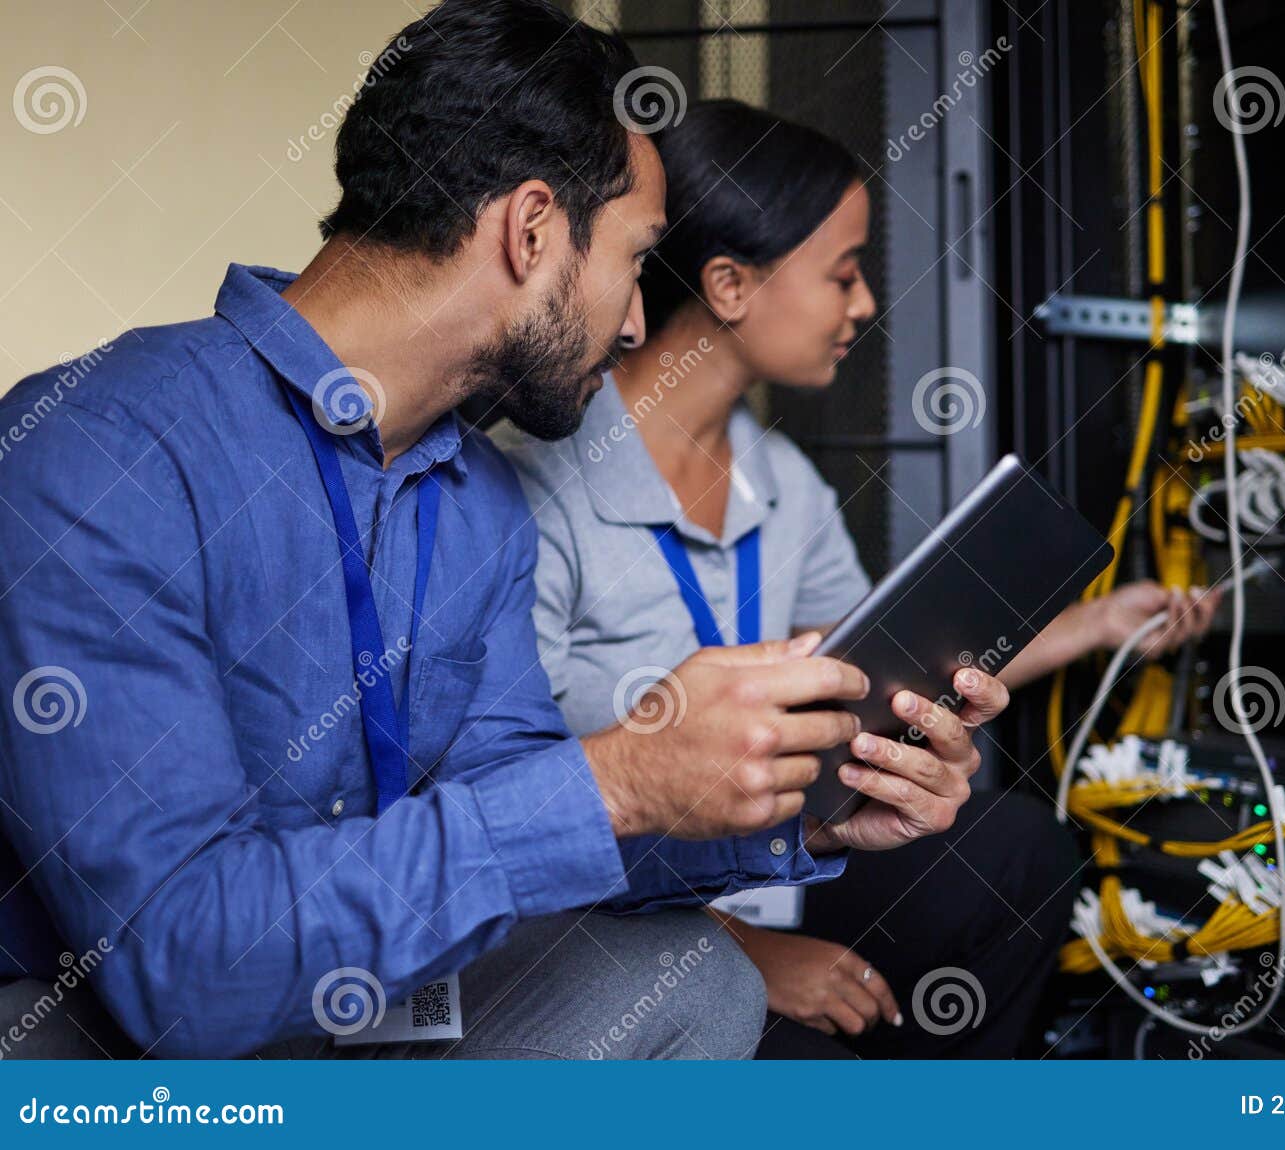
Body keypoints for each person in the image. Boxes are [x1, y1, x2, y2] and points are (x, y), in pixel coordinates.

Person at [0, 3, 1001, 1061]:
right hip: (111, 1036)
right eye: (632, 261)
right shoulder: (99, 451)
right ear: (530, 229)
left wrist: (794, 805)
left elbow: (525, 807)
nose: (630, 326)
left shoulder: (474, 497)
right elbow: (182, 967)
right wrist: (617, 774)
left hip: (366, 1008)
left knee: (690, 975)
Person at [490, 100, 1218, 1057]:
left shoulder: (780, 480)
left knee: (1017, 851)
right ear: (729, 285)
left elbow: (887, 664)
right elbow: (505, 812)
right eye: (842, 273)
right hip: (613, 913)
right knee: (808, 1052)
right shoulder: (539, 482)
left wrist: (1095, 626)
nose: (865, 304)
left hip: (780, 856)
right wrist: (745, 951)